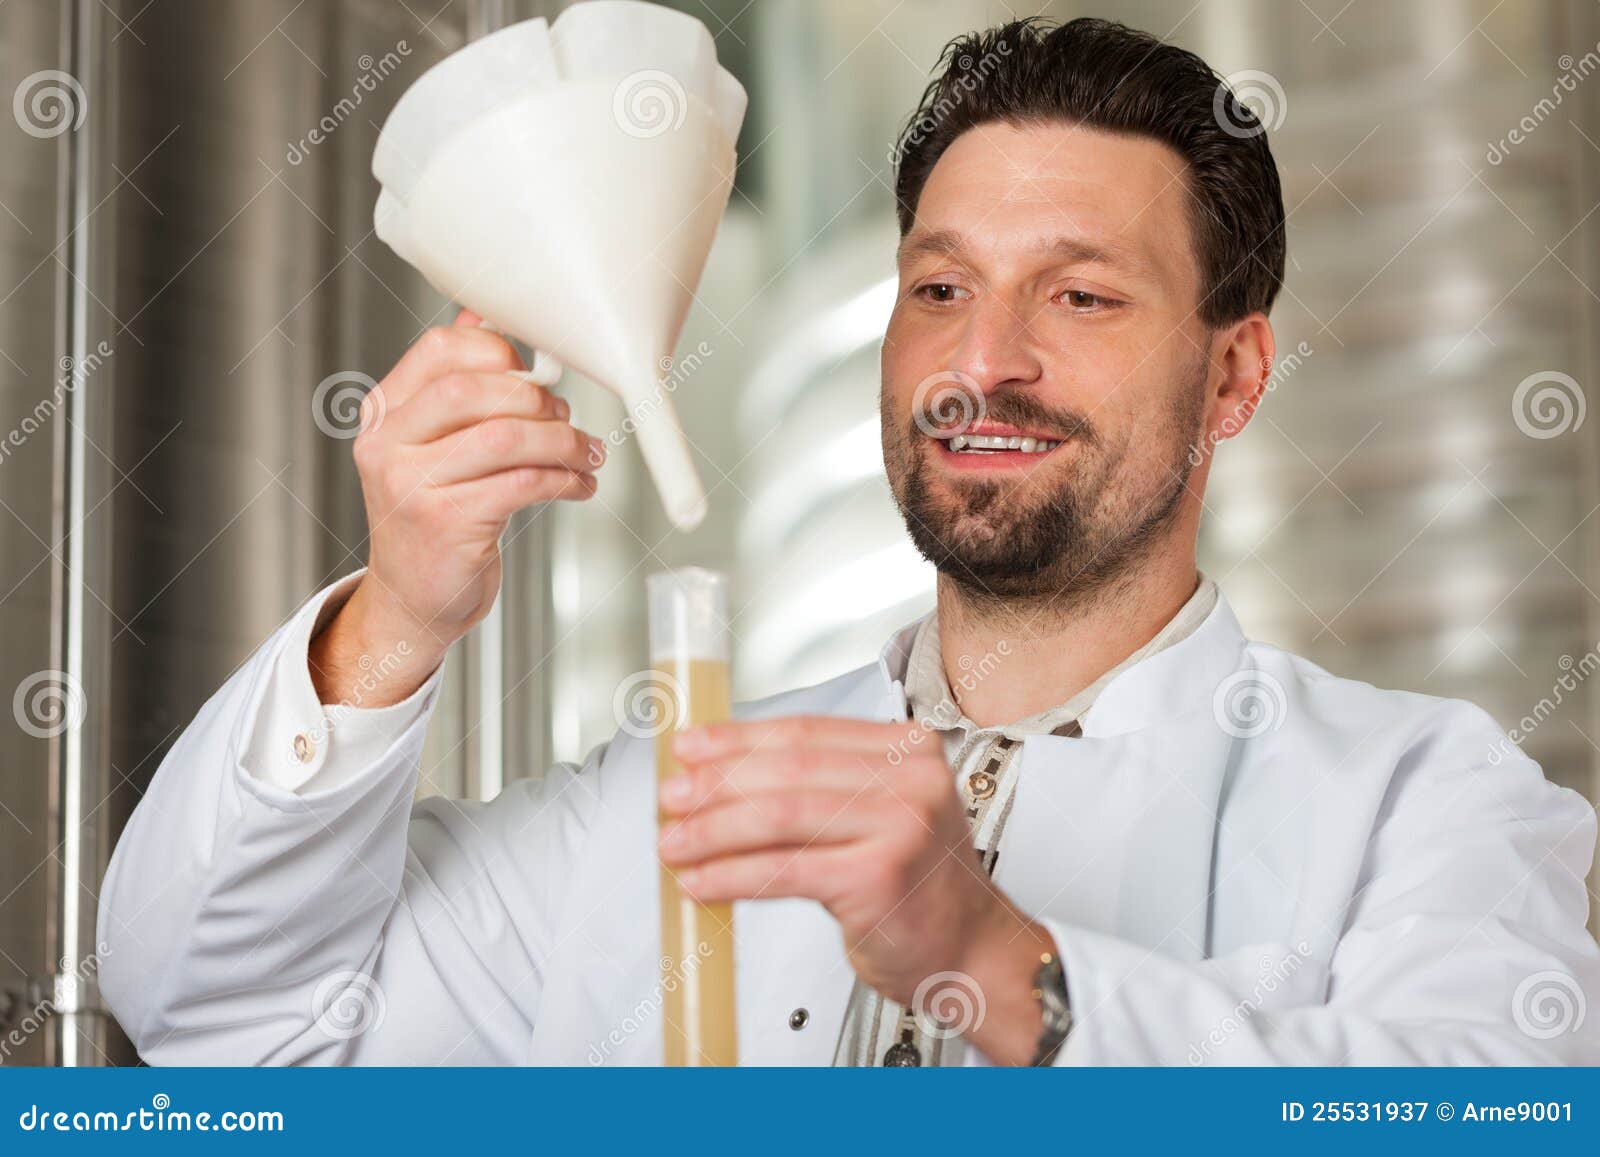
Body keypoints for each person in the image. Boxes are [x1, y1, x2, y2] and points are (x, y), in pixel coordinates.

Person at [98, 16, 1600, 1067]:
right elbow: (226, 1021)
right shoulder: (666, 807)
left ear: (1234, 374)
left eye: (1078, 297)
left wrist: (994, 956)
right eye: (940, 289)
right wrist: (397, 623)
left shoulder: (1420, 798)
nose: (985, 361)